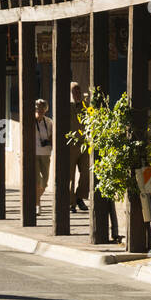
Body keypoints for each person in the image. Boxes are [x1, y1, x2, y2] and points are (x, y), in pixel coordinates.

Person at [68, 82, 91, 212]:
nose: (77, 94)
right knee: (70, 175)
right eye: (74, 91)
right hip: (70, 145)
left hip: (84, 144)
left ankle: (80, 197)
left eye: (78, 91)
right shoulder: (66, 107)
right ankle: (71, 202)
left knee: (86, 173)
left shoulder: (85, 106)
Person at [35, 99, 54, 199]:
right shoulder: (30, 121)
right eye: (38, 107)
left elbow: (52, 137)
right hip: (34, 154)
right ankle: (37, 204)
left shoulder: (49, 122)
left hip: (46, 153)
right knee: (37, 181)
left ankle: (35, 199)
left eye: (42, 108)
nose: (40, 110)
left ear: (46, 109)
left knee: (45, 182)